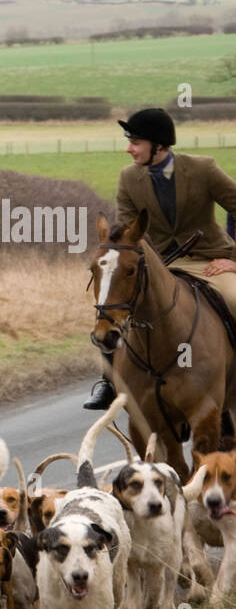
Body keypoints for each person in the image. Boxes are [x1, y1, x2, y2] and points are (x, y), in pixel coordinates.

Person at [84, 107, 236, 409]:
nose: (129, 149)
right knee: (111, 308)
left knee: (235, 300)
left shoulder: (203, 169)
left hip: (210, 262)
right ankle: (110, 382)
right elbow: (127, 232)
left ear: (160, 146)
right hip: (159, 266)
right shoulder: (128, 178)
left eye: (135, 142)